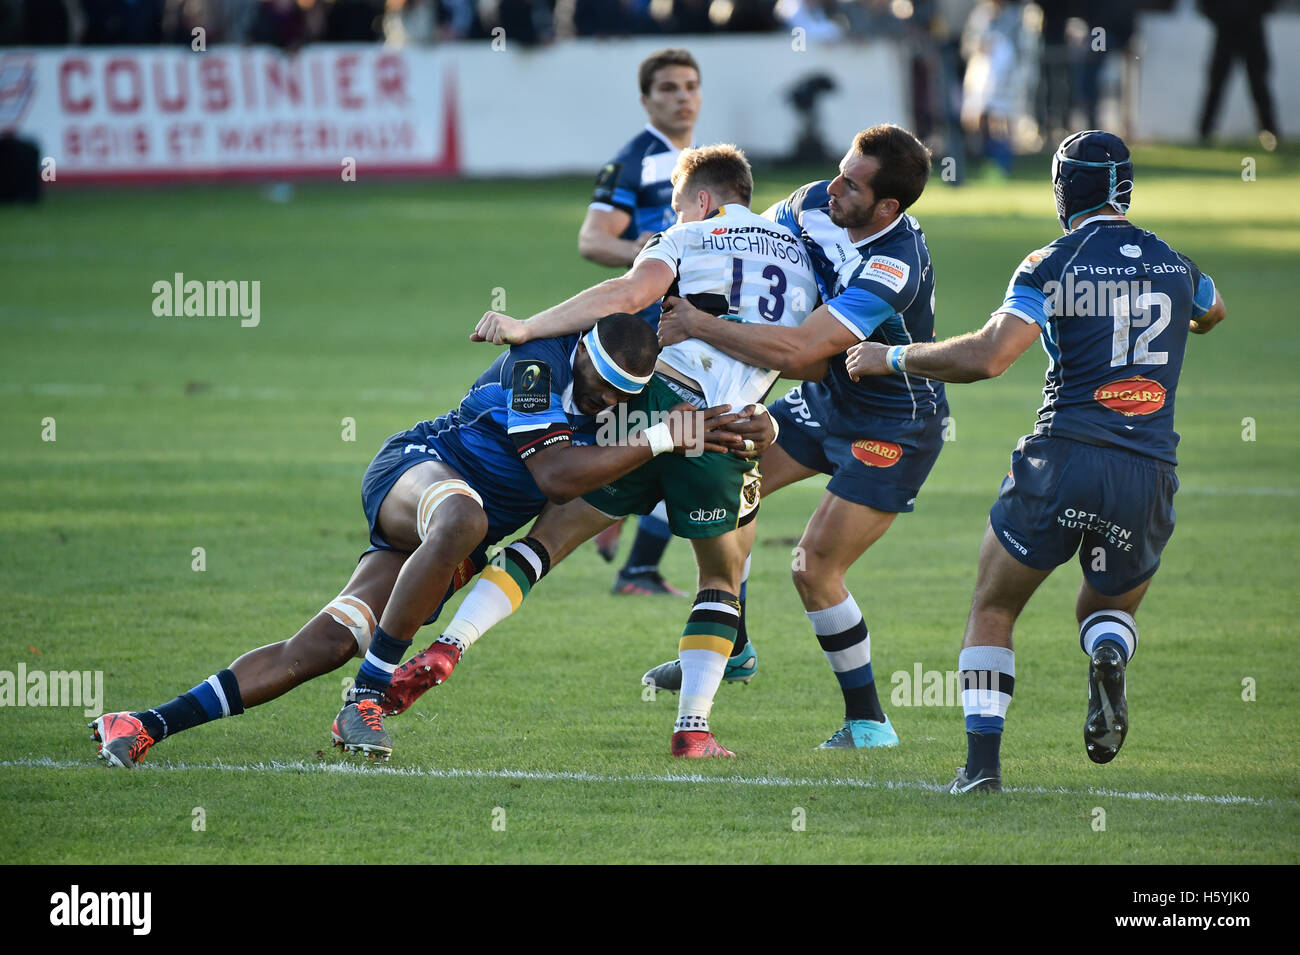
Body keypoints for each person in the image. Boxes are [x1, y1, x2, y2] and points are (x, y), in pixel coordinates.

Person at [89, 314, 742, 766]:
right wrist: (658, 437)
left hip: (445, 535)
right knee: (467, 518)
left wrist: (750, 430)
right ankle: (367, 697)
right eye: (596, 388)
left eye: (614, 399)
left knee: (320, 644)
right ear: (581, 353)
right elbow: (556, 475)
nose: (600, 403)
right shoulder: (539, 363)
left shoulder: (628, 393)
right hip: (418, 469)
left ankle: (143, 723)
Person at [388, 144, 817, 758]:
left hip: (653, 403)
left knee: (548, 539)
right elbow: (807, 355)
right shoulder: (802, 257)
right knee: (721, 578)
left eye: (675, 205)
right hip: (726, 425)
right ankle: (693, 731)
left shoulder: (688, 236)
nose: (673, 215)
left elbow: (625, 294)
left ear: (701, 200)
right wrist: (766, 424)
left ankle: (448, 646)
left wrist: (529, 327)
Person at [845, 130, 1226, 792]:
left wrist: (894, 355)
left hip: (1064, 456)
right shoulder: (1175, 263)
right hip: (1148, 470)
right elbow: (1212, 313)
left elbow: (990, 356)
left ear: (1064, 190)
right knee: (1105, 610)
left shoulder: (1049, 262)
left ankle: (981, 768)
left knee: (994, 605)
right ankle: (1108, 654)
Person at [645, 124, 945, 751]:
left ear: (887, 207)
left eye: (853, 185)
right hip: (827, 400)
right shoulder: (815, 202)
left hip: (894, 421)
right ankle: (733, 643)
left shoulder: (892, 266)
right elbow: (752, 245)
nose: (831, 188)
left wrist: (698, 321)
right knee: (726, 487)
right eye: (839, 170)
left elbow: (803, 346)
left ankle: (869, 723)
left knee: (813, 567)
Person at [580, 47, 703, 598]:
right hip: (648, 333)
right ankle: (628, 556)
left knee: (673, 439)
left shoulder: (698, 161)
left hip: (688, 326)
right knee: (683, 438)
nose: (682, 97)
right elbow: (592, 239)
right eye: (669, 88)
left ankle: (623, 541)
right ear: (646, 99)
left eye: (690, 86)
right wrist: (653, 253)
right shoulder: (635, 160)